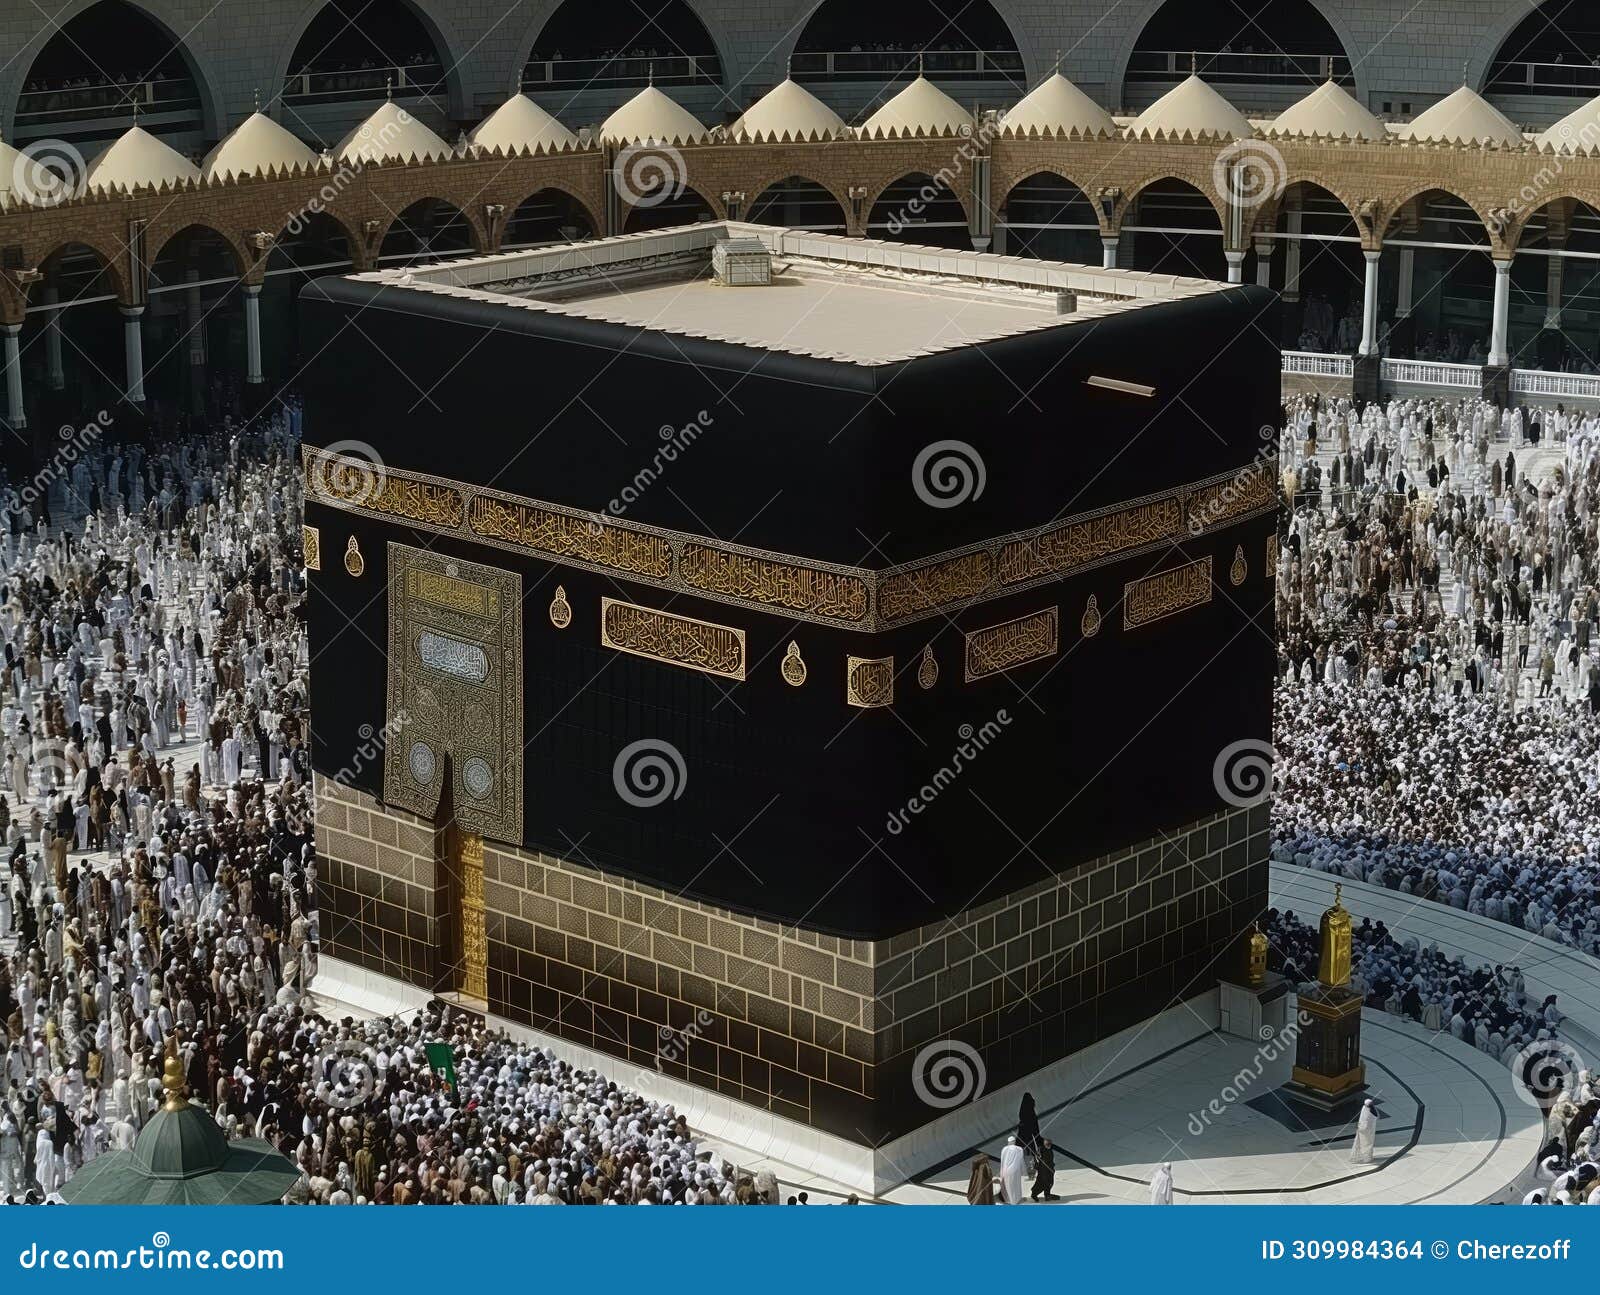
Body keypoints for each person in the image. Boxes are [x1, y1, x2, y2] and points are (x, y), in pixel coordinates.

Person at [999, 1135, 1025, 1204]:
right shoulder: (1019, 1149)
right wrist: (1023, 1171)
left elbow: (1002, 1162)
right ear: (1014, 1141)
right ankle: (1016, 1199)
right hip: (1016, 1171)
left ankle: (1010, 1200)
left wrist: (1001, 1172)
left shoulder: (1004, 1149)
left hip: (1007, 1171)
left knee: (1008, 1186)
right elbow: (1021, 1161)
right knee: (1016, 1185)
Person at [1030, 1137, 1057, 1202]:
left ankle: (1047, 1195)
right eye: (1047, 1144)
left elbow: (1051, 1160)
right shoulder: (1041, 1149)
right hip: (1042, 1170)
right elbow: (1036, 1158)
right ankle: (1034, 1194)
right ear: (1044, 1144)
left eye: (1050, 1144)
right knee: (1041, 1183)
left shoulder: (1050, 1150)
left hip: (1049, 1170)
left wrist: (1052, 1168)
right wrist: (1037, 1156)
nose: (1049, 1145)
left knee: (1050, 1182)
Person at [1351, 1098, 1377, 1164]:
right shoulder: (1372, 1111)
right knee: (1368, 1144)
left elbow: (1366, 1121)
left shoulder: (1366, 1110)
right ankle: (1368, 1157)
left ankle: (1366, 1158)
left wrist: (1359, 1127)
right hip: (1368, 1131)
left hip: (1365, 1131)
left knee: (1365, 1144)